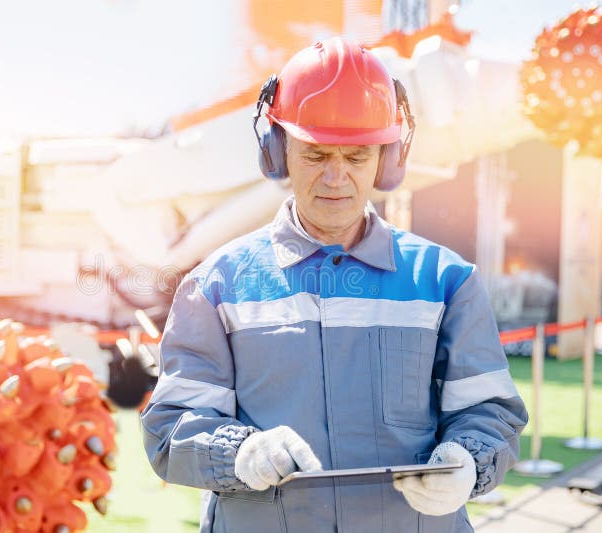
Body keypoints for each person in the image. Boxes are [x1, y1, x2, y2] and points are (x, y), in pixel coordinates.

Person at [141, 37, 527, 533]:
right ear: (278, 151)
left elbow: (489, 411)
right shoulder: (217, 285)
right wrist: (239, 453)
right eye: (316, 154)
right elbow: (170, 429)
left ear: (387, 161)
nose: (336, 178)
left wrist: (467, 460)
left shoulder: (446, 282)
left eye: (357, 157)